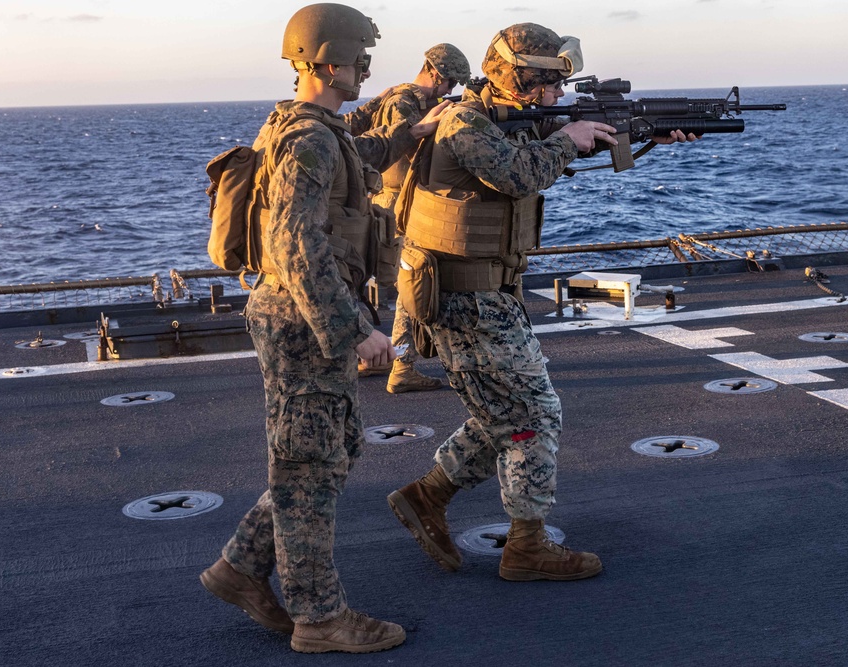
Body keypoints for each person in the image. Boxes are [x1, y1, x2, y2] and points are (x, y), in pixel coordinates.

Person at [386, 23, 698, 581]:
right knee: (533, 414)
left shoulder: (505, 120)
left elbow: (554, 161)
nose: (555, 97)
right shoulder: (464, 122)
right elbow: (517, 174)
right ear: (513, 77)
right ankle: (526, 547)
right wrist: (567, 136)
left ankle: (426, 496)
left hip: (484, 293)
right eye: (544, 85)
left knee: (502, 415)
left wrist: (646, 137)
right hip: (466, 295)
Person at [199, 3, 448, 654]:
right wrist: (353, 328)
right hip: (303, 316)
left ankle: (240, 566)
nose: (367, 69)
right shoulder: (308, 137)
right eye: (362, 58)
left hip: (302, 309)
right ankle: (319, 617)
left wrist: (416, 130)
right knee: (308, 468)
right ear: (333, 59)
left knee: (329, 450)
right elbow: (295, 244)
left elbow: (360, 154)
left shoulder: (311, 128)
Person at [346, 44, 472, 393]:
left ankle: (371, 357)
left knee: (383, 281)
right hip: (400, 204)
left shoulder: (401, 97)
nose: (449, 90)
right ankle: (402, 365)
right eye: (448, 82)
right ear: (433, 72)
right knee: (413, 283)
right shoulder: (408, 102)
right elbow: (404, 142)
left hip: (388, 201)